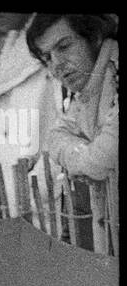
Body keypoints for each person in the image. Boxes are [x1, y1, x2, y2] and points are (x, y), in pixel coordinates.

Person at [26, 13, 118, 182]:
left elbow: (101, 161)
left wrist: (82, 162)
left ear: (94, 36)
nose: (56, 64)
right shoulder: (87, 89)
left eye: (64, 47)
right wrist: (85, 158)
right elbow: (55, 136)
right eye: (47, 58)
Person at [0, 14, 61, 174]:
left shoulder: (51, 49)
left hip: (40, 184)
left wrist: (38, 182)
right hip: (11, 180)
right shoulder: (11, 55)